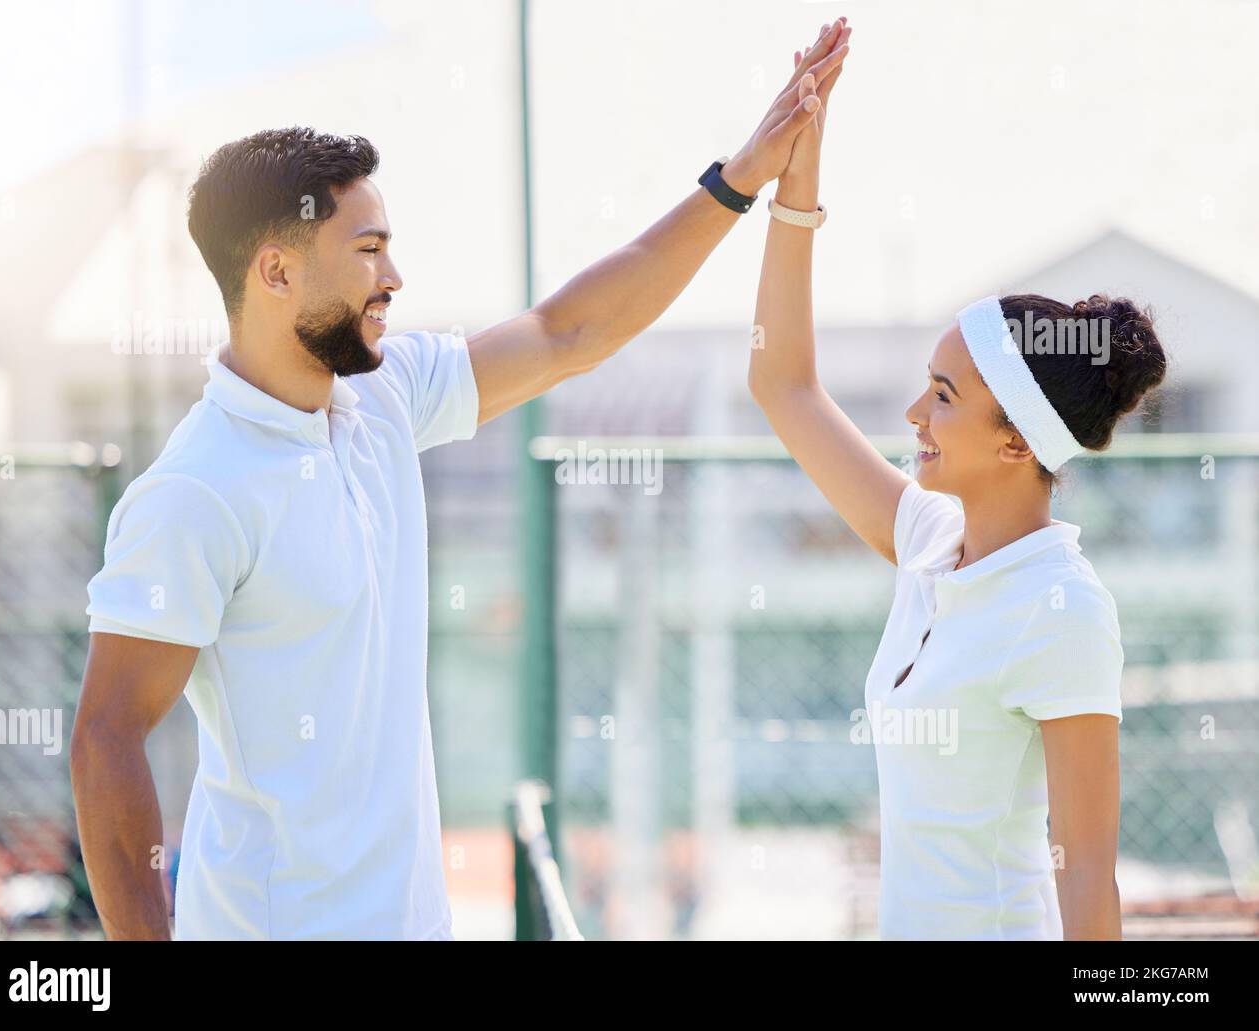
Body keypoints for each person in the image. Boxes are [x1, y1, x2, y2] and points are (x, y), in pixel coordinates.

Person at [68, 23, 853, 940]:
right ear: (275, 270)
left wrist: (740, 180)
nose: (393, 276)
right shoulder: (196, 489)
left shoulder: (385, 394)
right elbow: (106, 737)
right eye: (368, 249)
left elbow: (570, 332)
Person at [749, 23, 1166, 939]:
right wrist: (794, 178)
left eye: (942, 395)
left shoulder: (1064, 609)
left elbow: (1088, 880)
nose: (914, 415)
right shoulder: (930, 539)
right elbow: (781, 383)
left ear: (1016, 442)